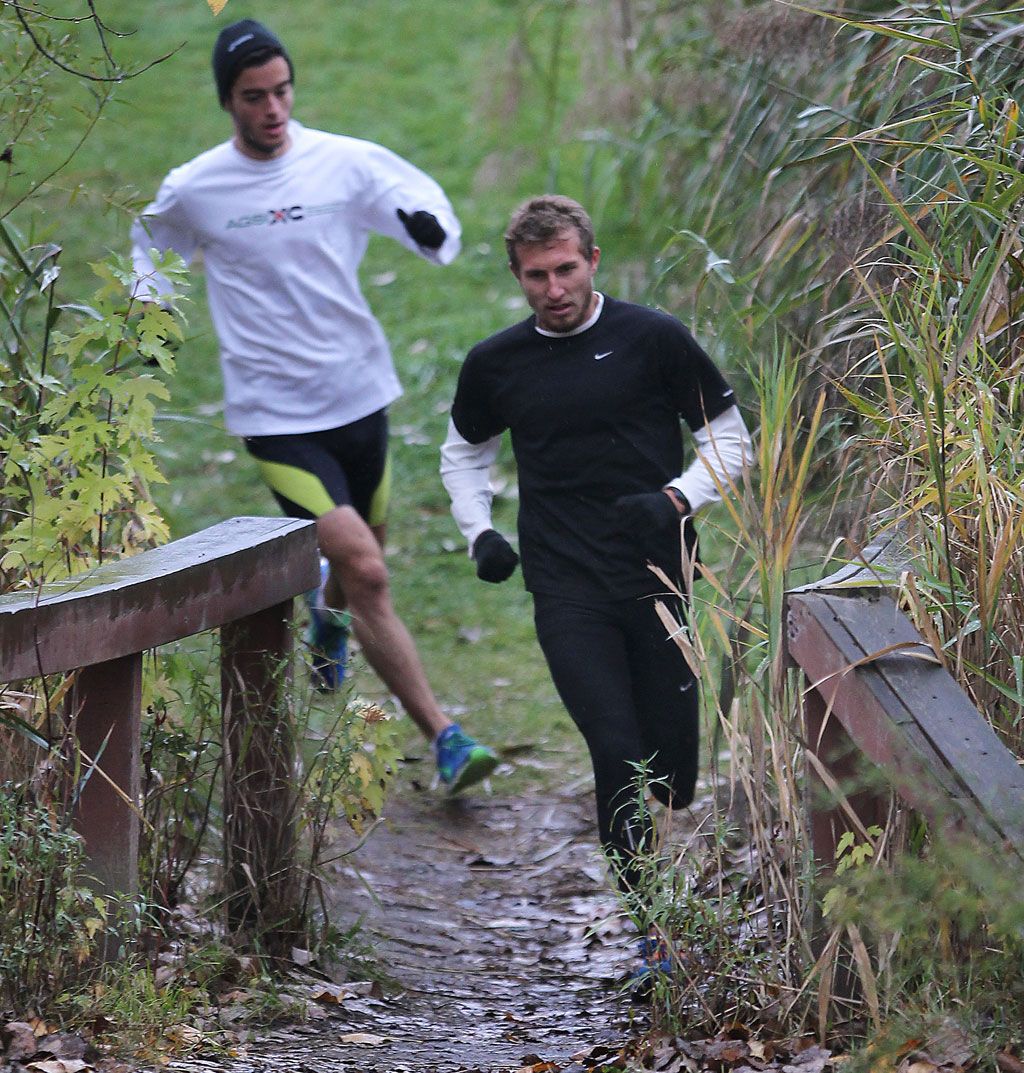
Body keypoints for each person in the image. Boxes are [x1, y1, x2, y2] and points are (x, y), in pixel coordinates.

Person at [130, 18, 497, 794]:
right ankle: (447, 736)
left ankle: (326, 615)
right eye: (254, 97)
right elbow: (151, 248)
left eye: (282, 91)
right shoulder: (198, 188)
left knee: (366, 561)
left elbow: (416, 201)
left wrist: (432, 231)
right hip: (276, 417)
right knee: (366, 567)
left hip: (361, 394)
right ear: (227, 101)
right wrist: (149, 314)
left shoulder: (344, 163)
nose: (273, 108)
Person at [440, 195, 751, 967]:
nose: (554, 288)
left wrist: (678, 497)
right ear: (517, 276)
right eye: (537, 275)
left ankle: (674, 864)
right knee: (614, 748)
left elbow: (728, 435)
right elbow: (464, 452)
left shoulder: (653, 339)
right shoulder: (496, 363)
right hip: (565, 582)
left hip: (658, 571)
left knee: (674, 766)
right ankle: (652, 929)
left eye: (567, 268)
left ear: (593, 261)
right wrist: (479, 530)